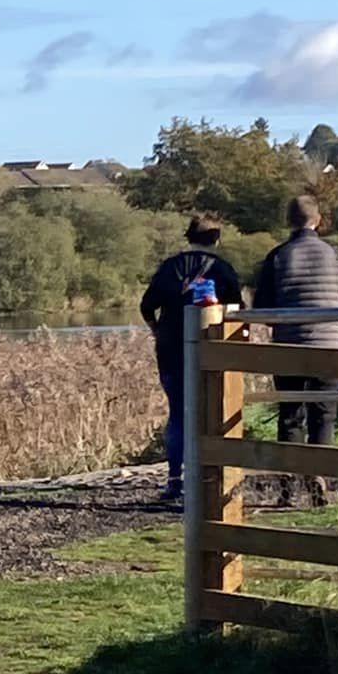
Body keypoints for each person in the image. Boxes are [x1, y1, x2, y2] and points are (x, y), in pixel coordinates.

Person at [253, 193, 338, 506]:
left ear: (289, 221)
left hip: (288, 346)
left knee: (290, 416)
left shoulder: (277, 256)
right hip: (328, 348)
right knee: (324, 415)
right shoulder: (337, 255)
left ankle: (288, 488)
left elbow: (260, 307)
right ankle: (319, 478)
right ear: (318, 220)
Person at [139, 213, 242, 507]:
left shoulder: (171, 266)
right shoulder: (223, 269)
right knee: (213, 413)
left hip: (171, 349)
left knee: (178, 413)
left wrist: (157, 330)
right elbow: (236, 310)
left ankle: (175, 479)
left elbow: (146, 305)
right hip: (211, 350)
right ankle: (210, 476)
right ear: (217, 239)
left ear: (189, 238)